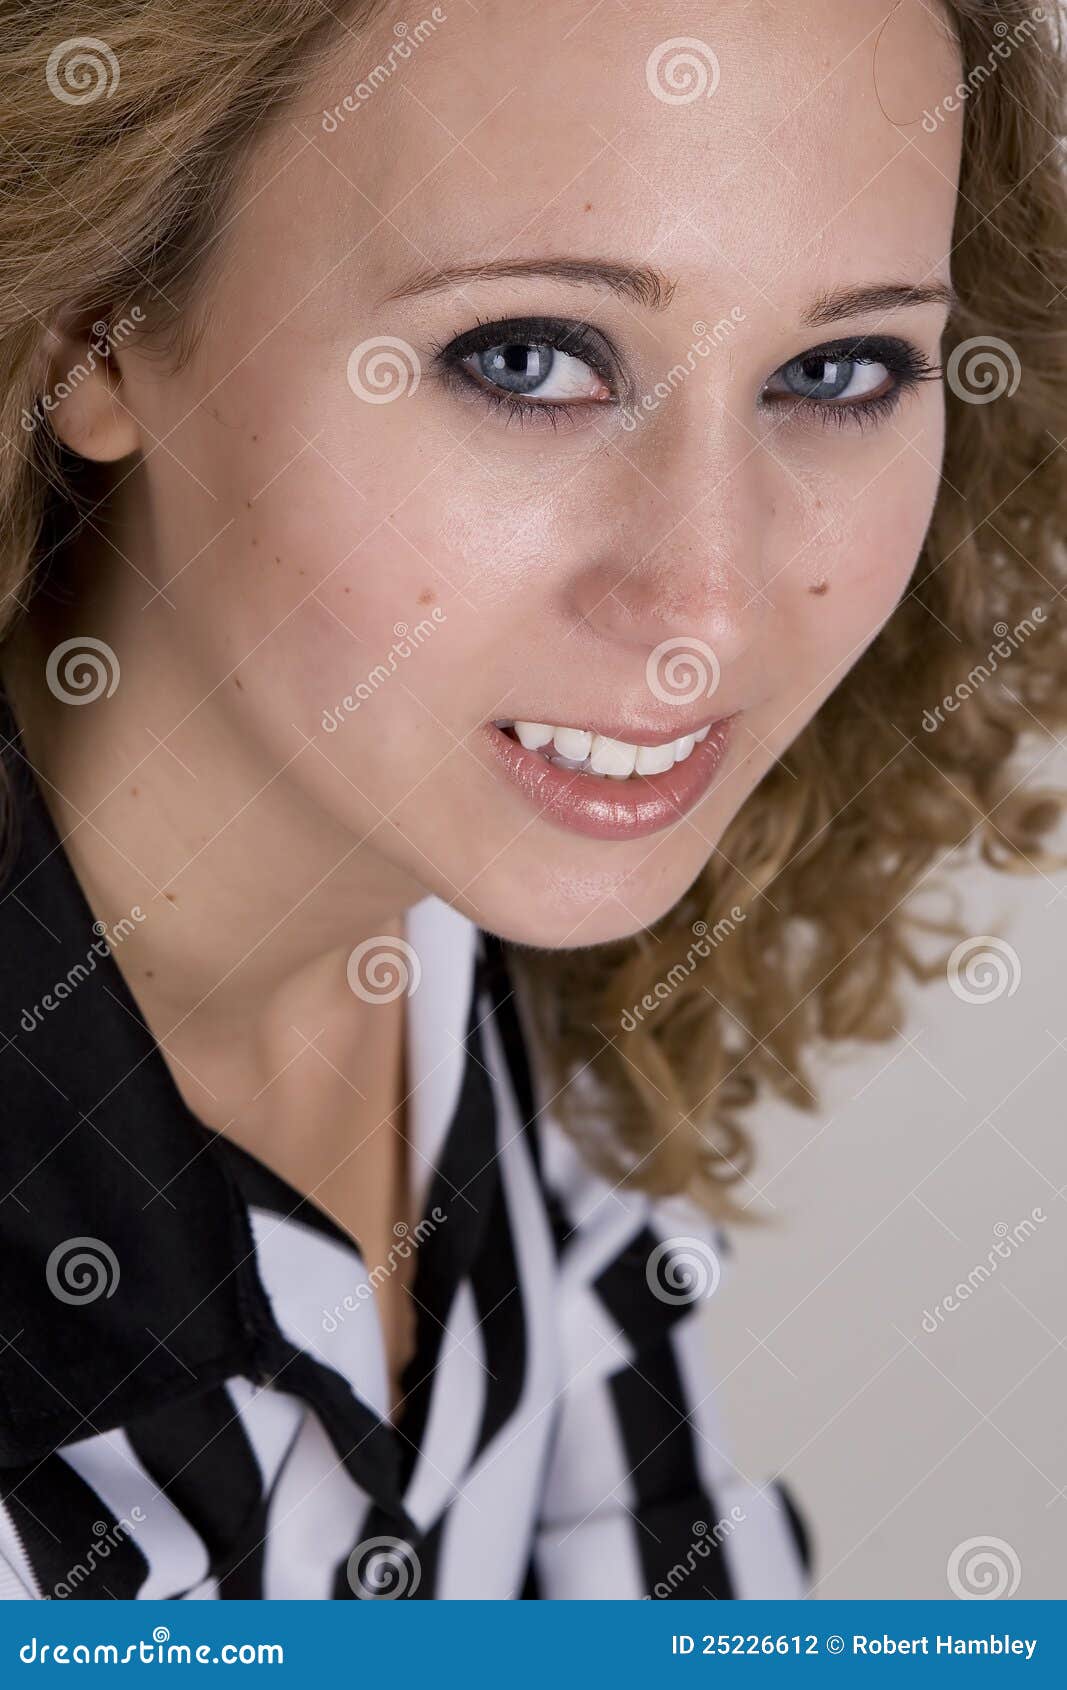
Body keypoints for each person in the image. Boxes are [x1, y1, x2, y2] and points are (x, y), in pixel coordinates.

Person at [0, 0, 1063, 1600]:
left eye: (838, 369)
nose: (709, 605)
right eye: (527, 359)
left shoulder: (485, 959)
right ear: (95, 328)